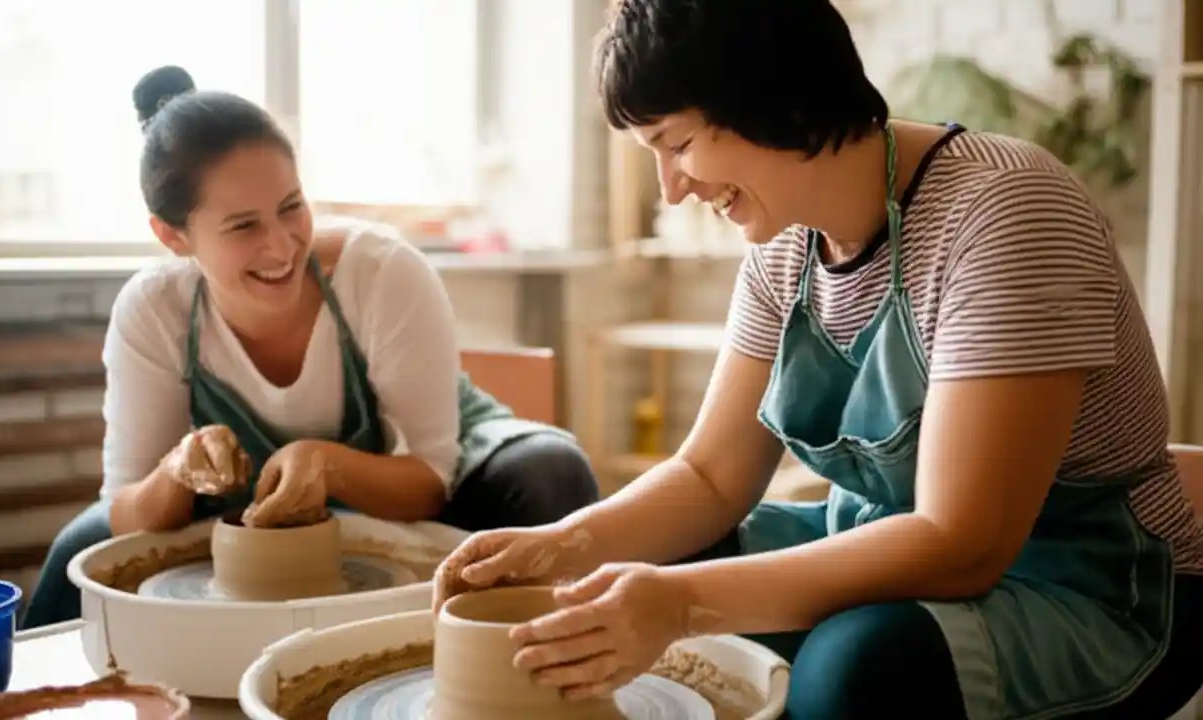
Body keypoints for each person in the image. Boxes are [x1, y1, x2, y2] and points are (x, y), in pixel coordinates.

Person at [432, 2, 1203, 718]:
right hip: (890, 541)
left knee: (854, 668)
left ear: (764, 94)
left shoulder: (1006, 212)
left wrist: (682, 604)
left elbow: (960, 542)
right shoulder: (784, 249)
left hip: (1098, 590)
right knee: (645, 561)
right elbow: (709, 479)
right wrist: (564, 542)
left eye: (677, 144)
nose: (671, 190)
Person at [21, 65, 599, 629]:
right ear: (173, 236)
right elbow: (128, 510)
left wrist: (327, 464)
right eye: (243, 227)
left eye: (291, 207)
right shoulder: (153, 308)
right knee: (82, 546)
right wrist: (177, 470)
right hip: (237, 513)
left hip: (419, 478)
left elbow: (428, 478)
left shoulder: (380, 271)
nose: (281, 247)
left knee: (550, 473)